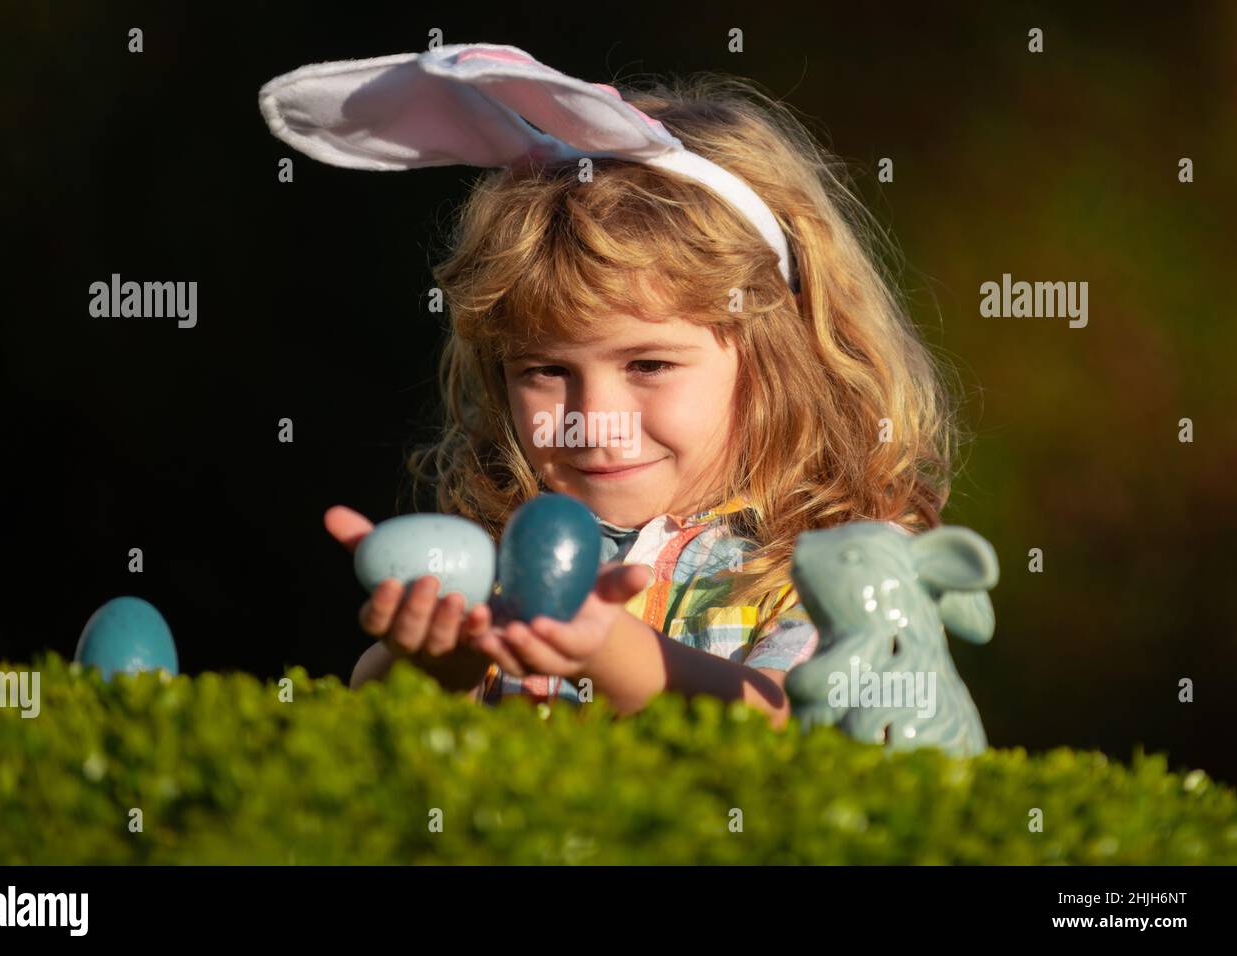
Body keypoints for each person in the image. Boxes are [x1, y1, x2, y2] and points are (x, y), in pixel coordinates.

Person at [307, 58, 958, 730]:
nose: (595, 423)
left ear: (778, 357)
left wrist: (616, 654)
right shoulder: (516, 554)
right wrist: (438, 665)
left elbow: (794, 721)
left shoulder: (831, 560)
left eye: (648, 364)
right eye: (546, 372)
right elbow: (375, 725)